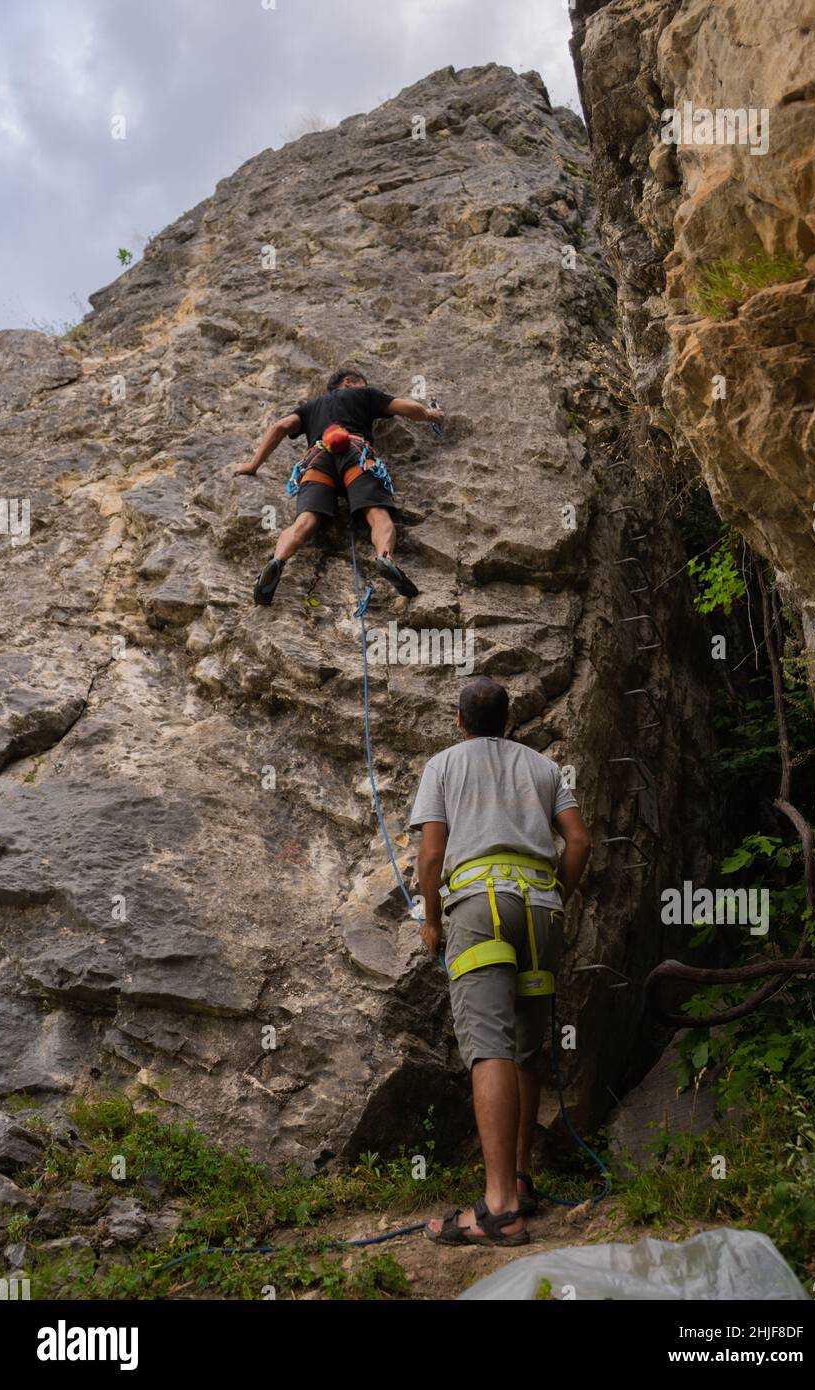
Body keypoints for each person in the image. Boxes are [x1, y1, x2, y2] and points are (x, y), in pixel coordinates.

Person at [410, 675, 592, 1246]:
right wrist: (555, 893)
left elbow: (432, 854)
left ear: (459, 720)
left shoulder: (443, 765)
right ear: (508, 721)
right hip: (541, 912)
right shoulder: (542, 768)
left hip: (481, 909)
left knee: (487, 1045)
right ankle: (520, 1178)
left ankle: (498, 1210)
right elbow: (580, 841)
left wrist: (433, 919)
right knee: (524, 1050)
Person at [232, 366, 443, 603]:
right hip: (356, 454)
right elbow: (409, 408)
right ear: (349, 382)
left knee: (305, 521)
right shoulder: (363, 394)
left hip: (318, 458)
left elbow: (280, 426)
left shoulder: (310, 407)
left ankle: (278, 560)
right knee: (377, 514)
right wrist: (430, 415)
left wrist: (252, 465)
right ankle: (385, 558)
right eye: (363, 383)